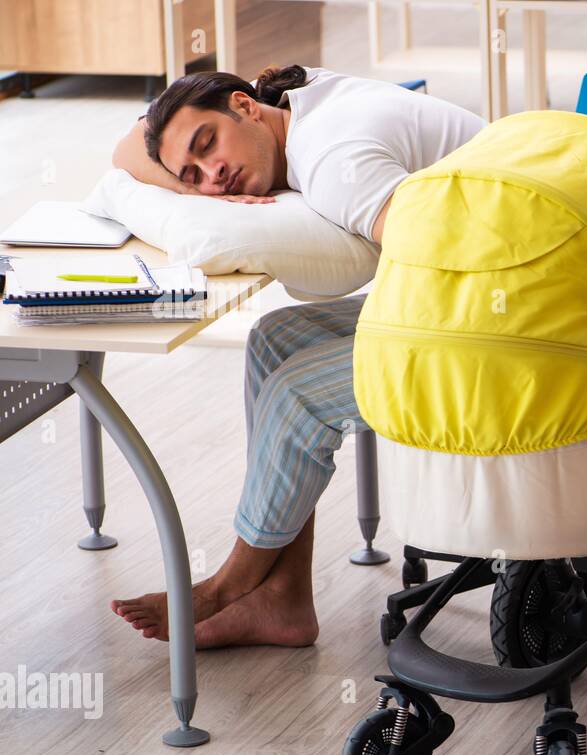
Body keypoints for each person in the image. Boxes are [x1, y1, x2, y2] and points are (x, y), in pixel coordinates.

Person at [108, 66, 483, 648]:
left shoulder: (333, 159)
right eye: (194, 172)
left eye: (209, 144)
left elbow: (437, 249)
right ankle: (282, 600)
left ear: (244, 106)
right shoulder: (302, 98)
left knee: (298, 393)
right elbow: (129, 148)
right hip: (493, 293)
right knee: (274, 340)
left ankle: (228, 585)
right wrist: (192, 186)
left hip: (519, 319)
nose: (214, 175)